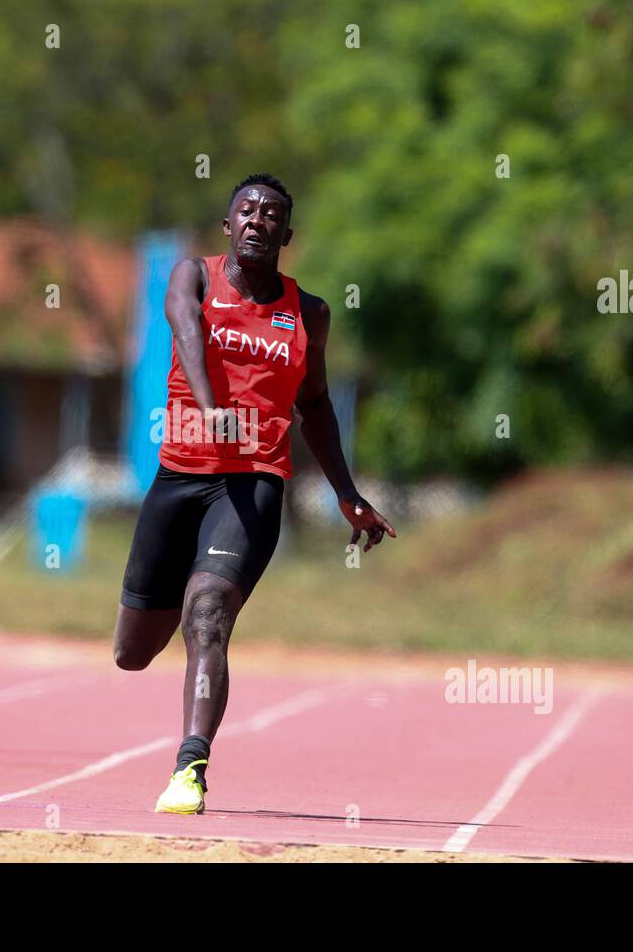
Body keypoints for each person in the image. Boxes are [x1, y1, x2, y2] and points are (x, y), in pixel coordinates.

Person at [113, 173, 396, 814]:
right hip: (179, 477)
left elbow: (316, 403)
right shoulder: (193, 277)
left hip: (253, 486)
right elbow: (185, 335)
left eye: (271, 214)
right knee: (132, 652)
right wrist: (210, 410)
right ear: (227, 223)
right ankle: (173, 683)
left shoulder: (310, 313)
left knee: (208, 613)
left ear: (286, 235)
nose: (256, 220)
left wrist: (348, 493)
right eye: (246, 209)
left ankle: (190, 766)